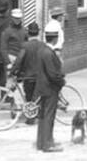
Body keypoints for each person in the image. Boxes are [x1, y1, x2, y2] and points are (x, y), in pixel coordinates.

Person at [15, 22, 66, 152]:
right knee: (49, 116)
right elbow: (53, 74)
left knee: (43, 116)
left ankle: (41, 142)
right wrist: (61, 81)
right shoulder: (48, 52)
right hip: (49, 89)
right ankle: (48, 143)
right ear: (55, 38)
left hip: (41, 87)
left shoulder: (42, 51)